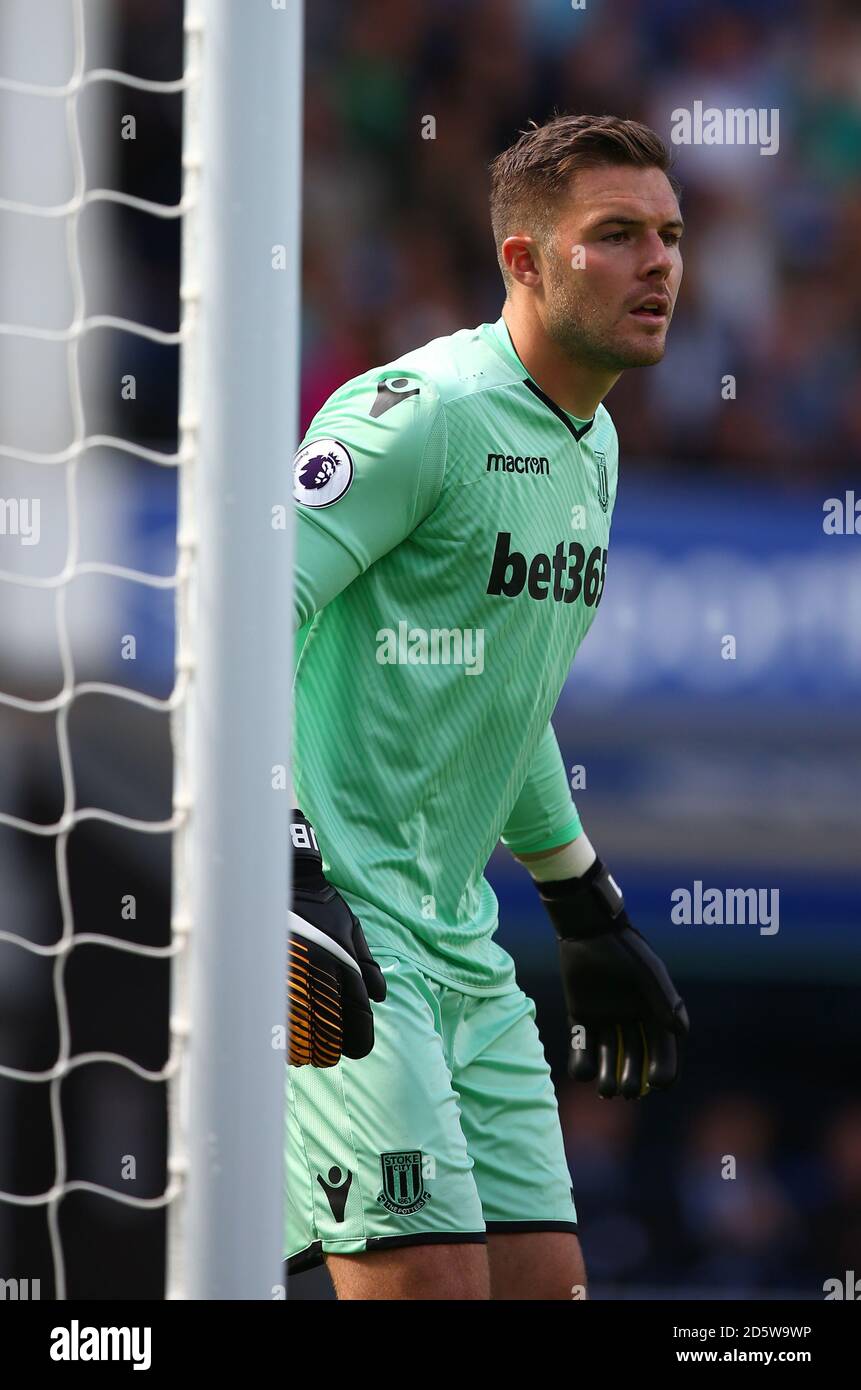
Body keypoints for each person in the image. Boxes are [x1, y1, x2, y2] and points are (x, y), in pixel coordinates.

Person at [286, 113, 689, 1301]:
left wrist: (579, 899)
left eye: (669, 234)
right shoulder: (422, 413)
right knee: (434, 1291)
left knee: (545, 1282)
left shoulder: (594, 444)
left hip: (462, 943)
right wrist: (283, 860)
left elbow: (504, 694)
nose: (658, 263)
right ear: (524, 260)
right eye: (615, 235)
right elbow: (239, 612)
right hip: (342, 933)